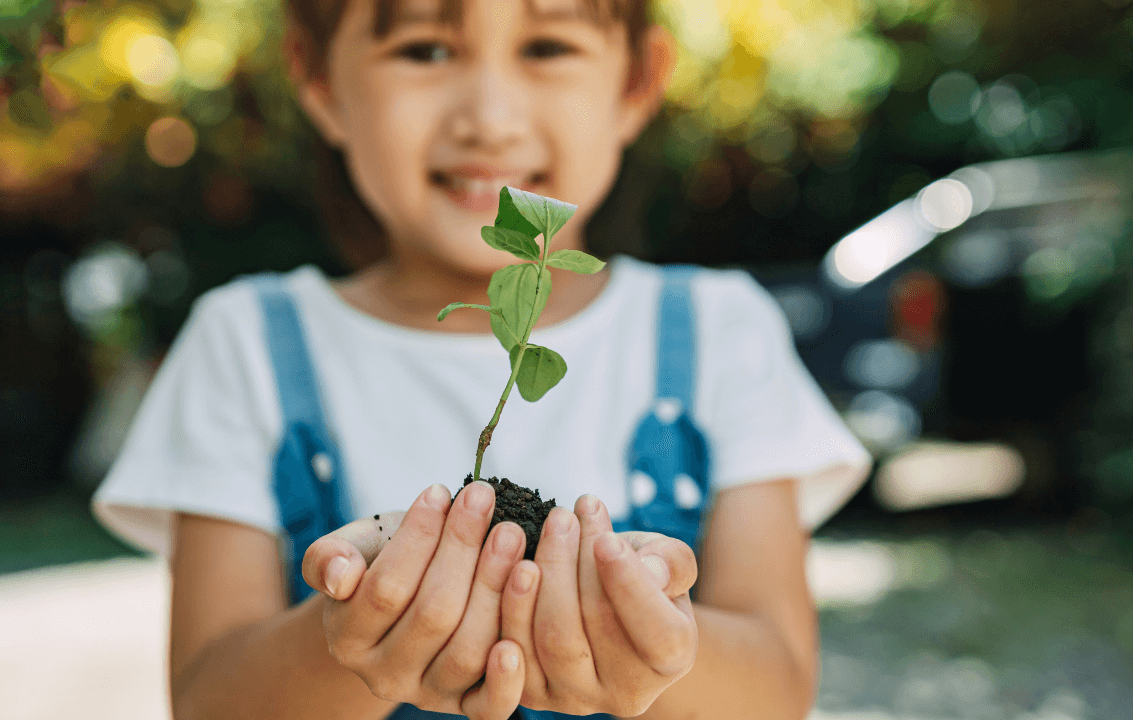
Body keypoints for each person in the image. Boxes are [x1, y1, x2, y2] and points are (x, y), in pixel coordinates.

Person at [92, 0, 872, 718]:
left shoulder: (719, 331)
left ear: (636, 84)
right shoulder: (245, 345)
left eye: (547, 45)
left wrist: (646, 636)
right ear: (323, 82)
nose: (490, 119)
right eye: (426, 48)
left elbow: (778, 690)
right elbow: (209, 701)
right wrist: (357, 627)